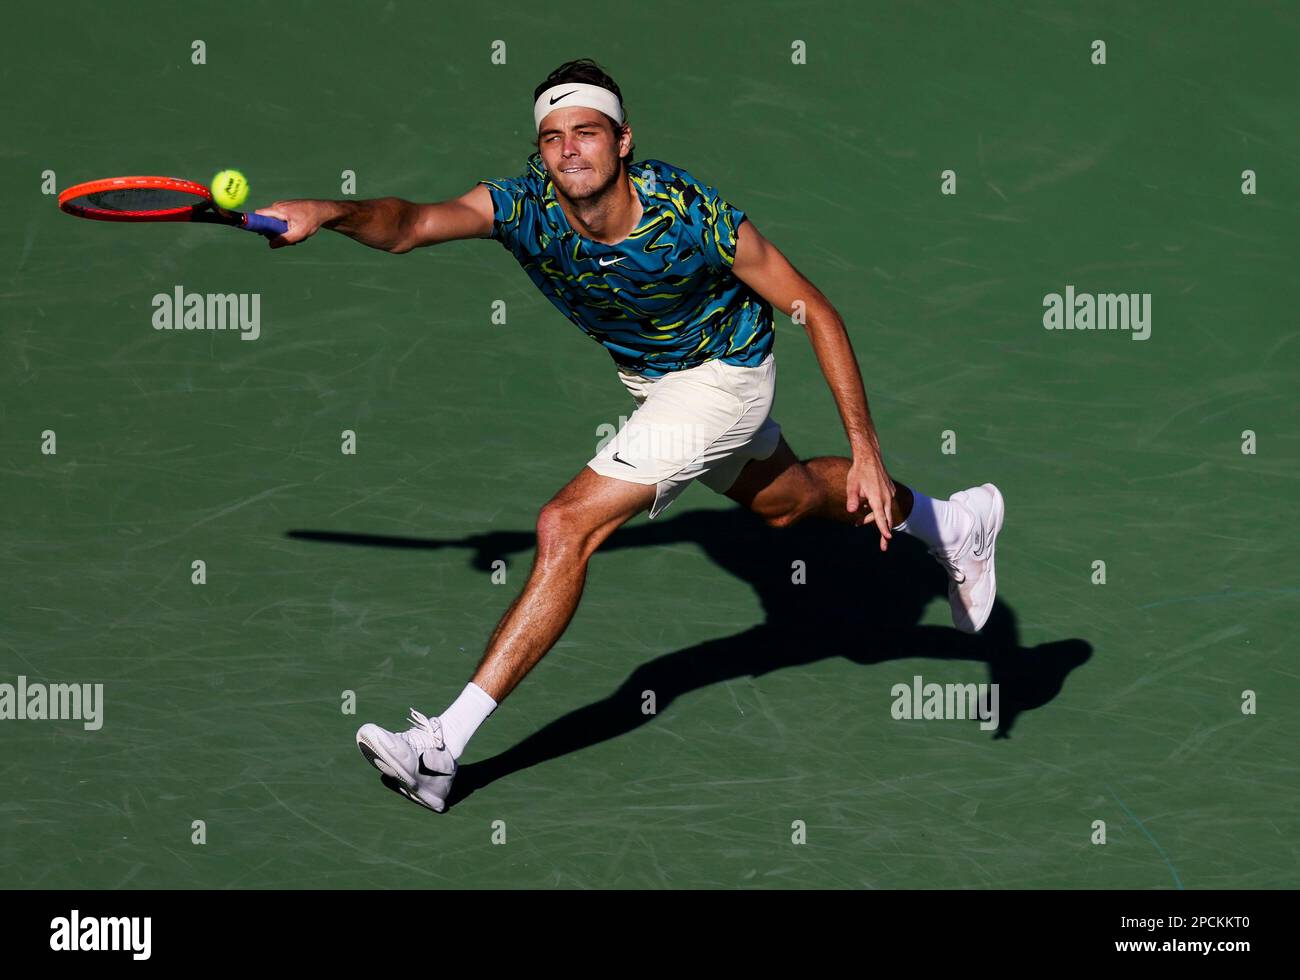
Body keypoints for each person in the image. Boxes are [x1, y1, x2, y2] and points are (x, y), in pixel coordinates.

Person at [257, 58, 1005, 813]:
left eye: (587, 132)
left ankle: (440, 748)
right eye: (553, 137)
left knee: (564, 525)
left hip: (724, 379)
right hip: (658, 385)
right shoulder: (525, 208)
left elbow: (812, 306)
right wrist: (327, 212)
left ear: (622, 142)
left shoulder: (688, 212)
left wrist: (868, 446)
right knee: (788, 503)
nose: (569, 149)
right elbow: (412, 224)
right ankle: (954, 524)